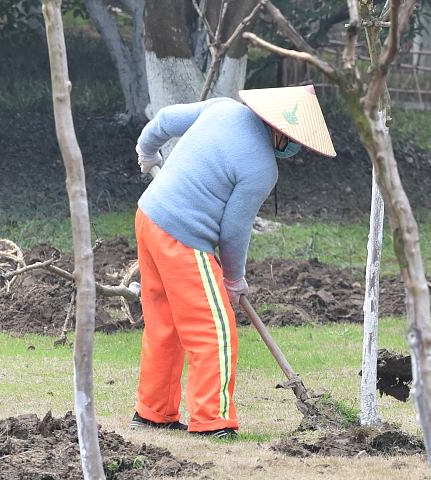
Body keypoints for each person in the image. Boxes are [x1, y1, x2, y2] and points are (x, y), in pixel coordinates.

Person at [130, 85, 336, 437]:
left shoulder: (222, 108)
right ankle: (213, 420)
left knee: (165, 323)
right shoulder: (262, 168)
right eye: (296, 143)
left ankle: (153, 411)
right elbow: (234, 231)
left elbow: (163, 120)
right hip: (185, 237)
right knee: (214, 330)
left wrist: (146, 152)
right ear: (282, 134)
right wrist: (234, 280)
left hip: (149, 217)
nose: (296, 150)